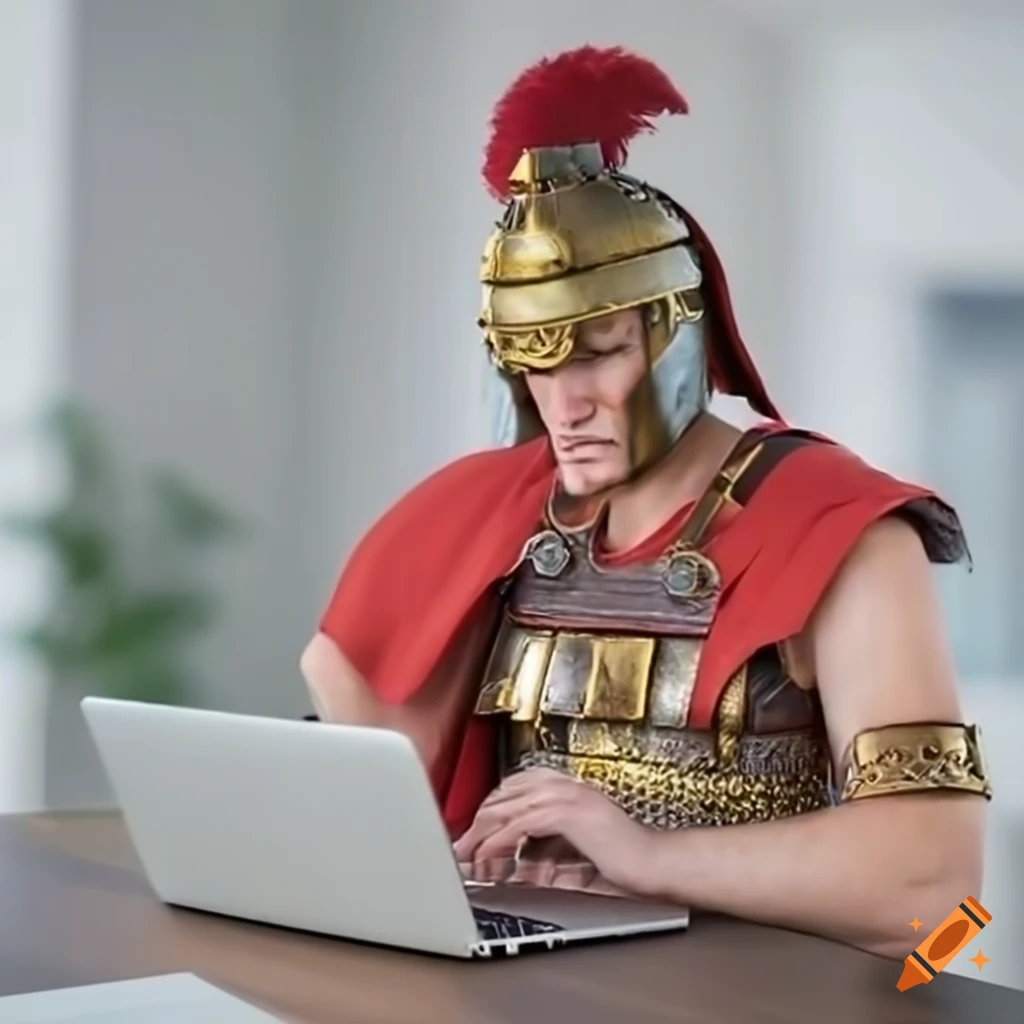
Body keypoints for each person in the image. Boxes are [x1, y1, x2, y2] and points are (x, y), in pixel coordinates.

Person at [300, 45, 990, 959]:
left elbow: (933, 884)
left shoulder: (843, 536)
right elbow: (372, 776)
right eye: (536, 365)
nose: (566, 404)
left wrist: (644, 856)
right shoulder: (491, 524)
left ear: (677, 335)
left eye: (598, 351)